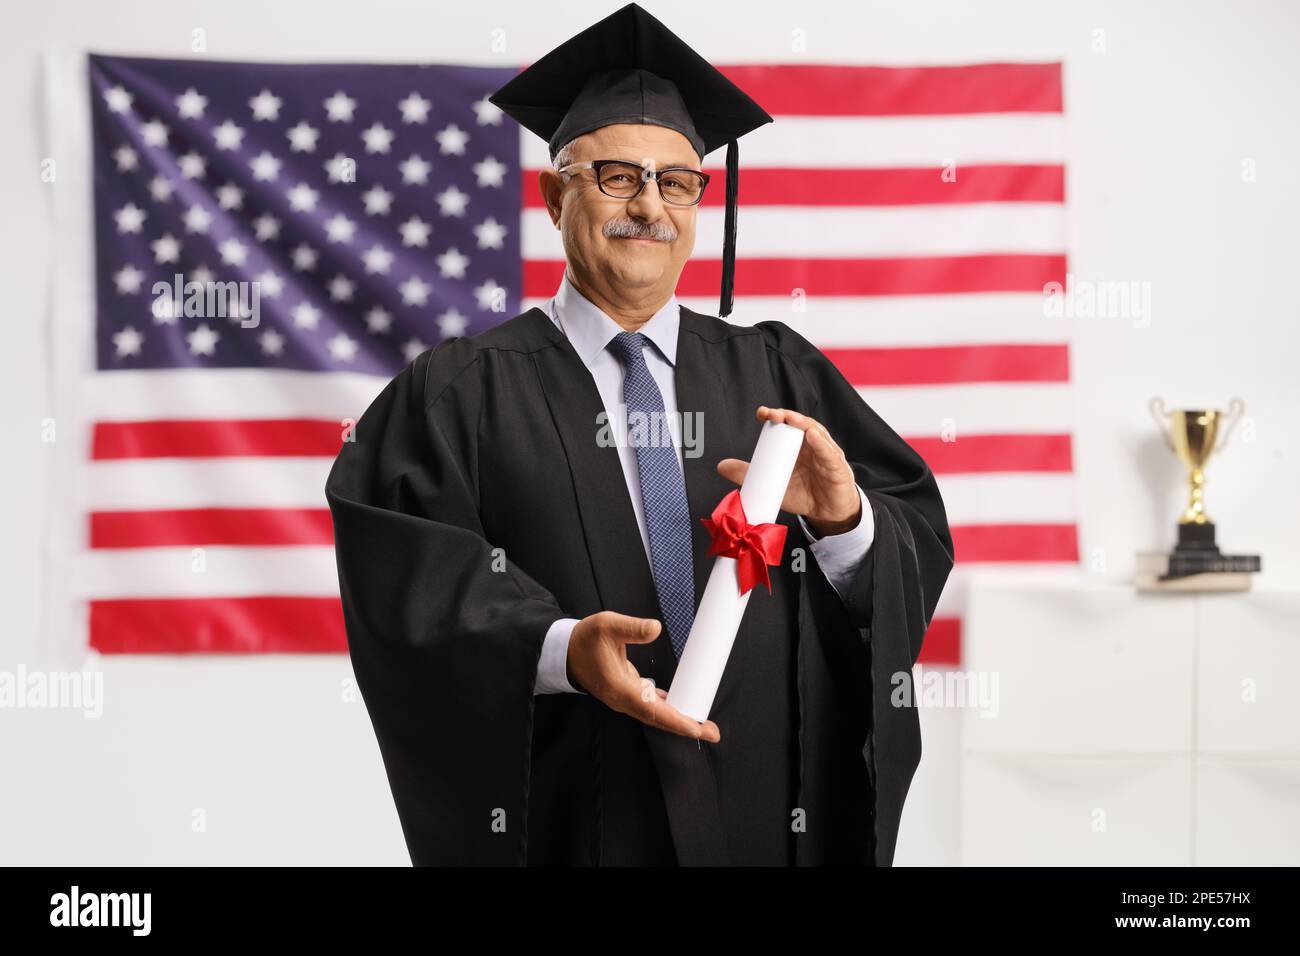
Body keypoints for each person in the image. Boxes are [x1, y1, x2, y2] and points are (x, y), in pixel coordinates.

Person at [325, 2, 953, 866]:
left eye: (677, 182)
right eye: (617, 177)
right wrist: (562, 649)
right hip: (578, 820)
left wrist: (847, 527)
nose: (649, 205)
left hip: (771, 817)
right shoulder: (460, 391)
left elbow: (913, 537)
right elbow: (408, 588)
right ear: (554, 196)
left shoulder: (779, 373)